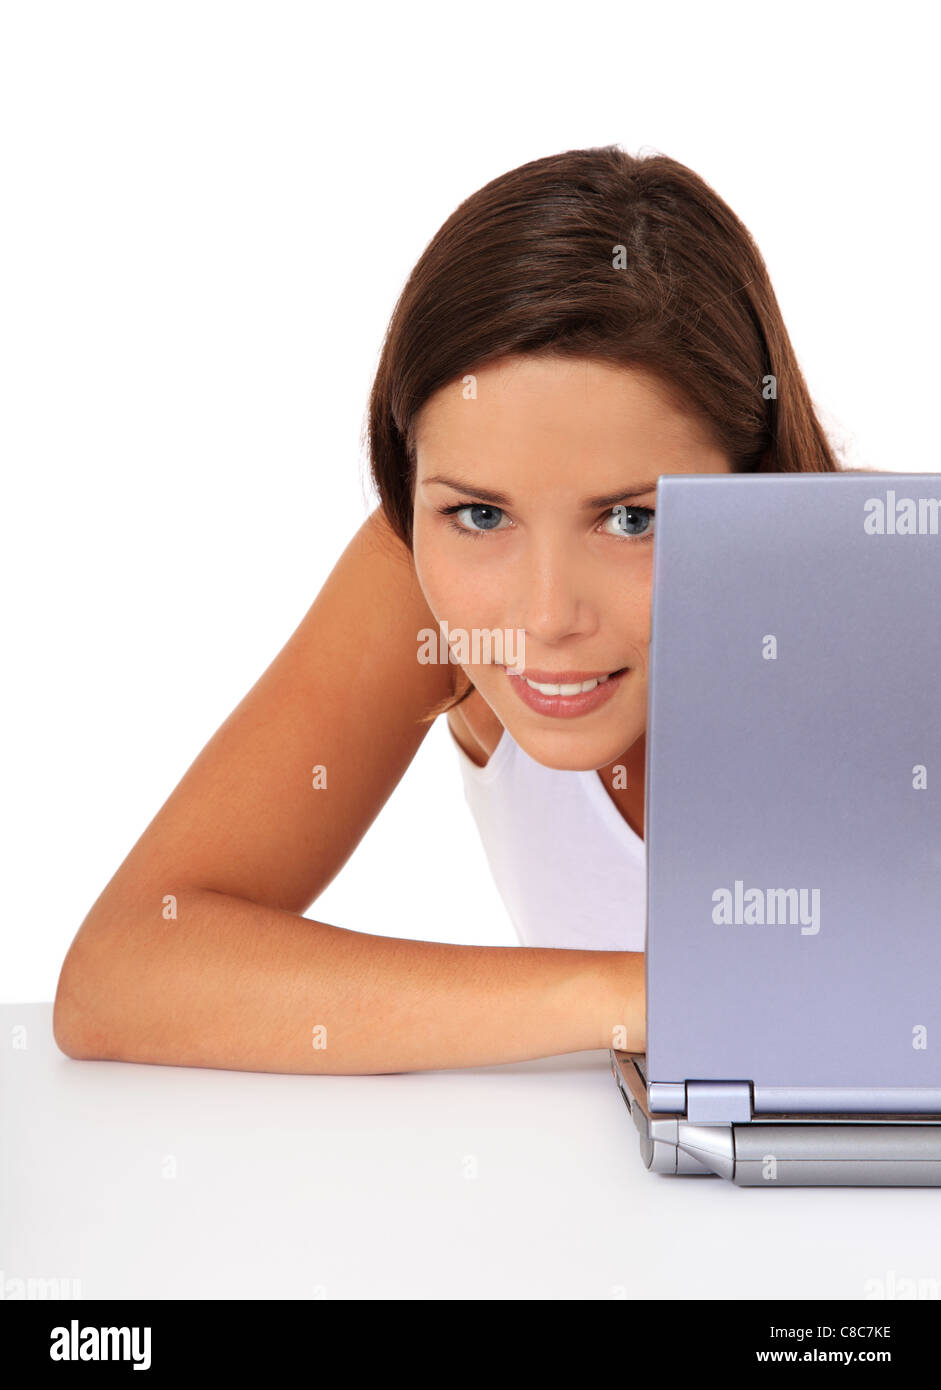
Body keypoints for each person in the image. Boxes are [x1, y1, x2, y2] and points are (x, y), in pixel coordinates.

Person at [52, 144, 843, 1075]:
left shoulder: (883, 595)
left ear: (758, 487)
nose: (545, 617)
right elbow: (125, 970)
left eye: (632, 519)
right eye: (478, 513)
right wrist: (638, 993)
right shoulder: (415, 582)